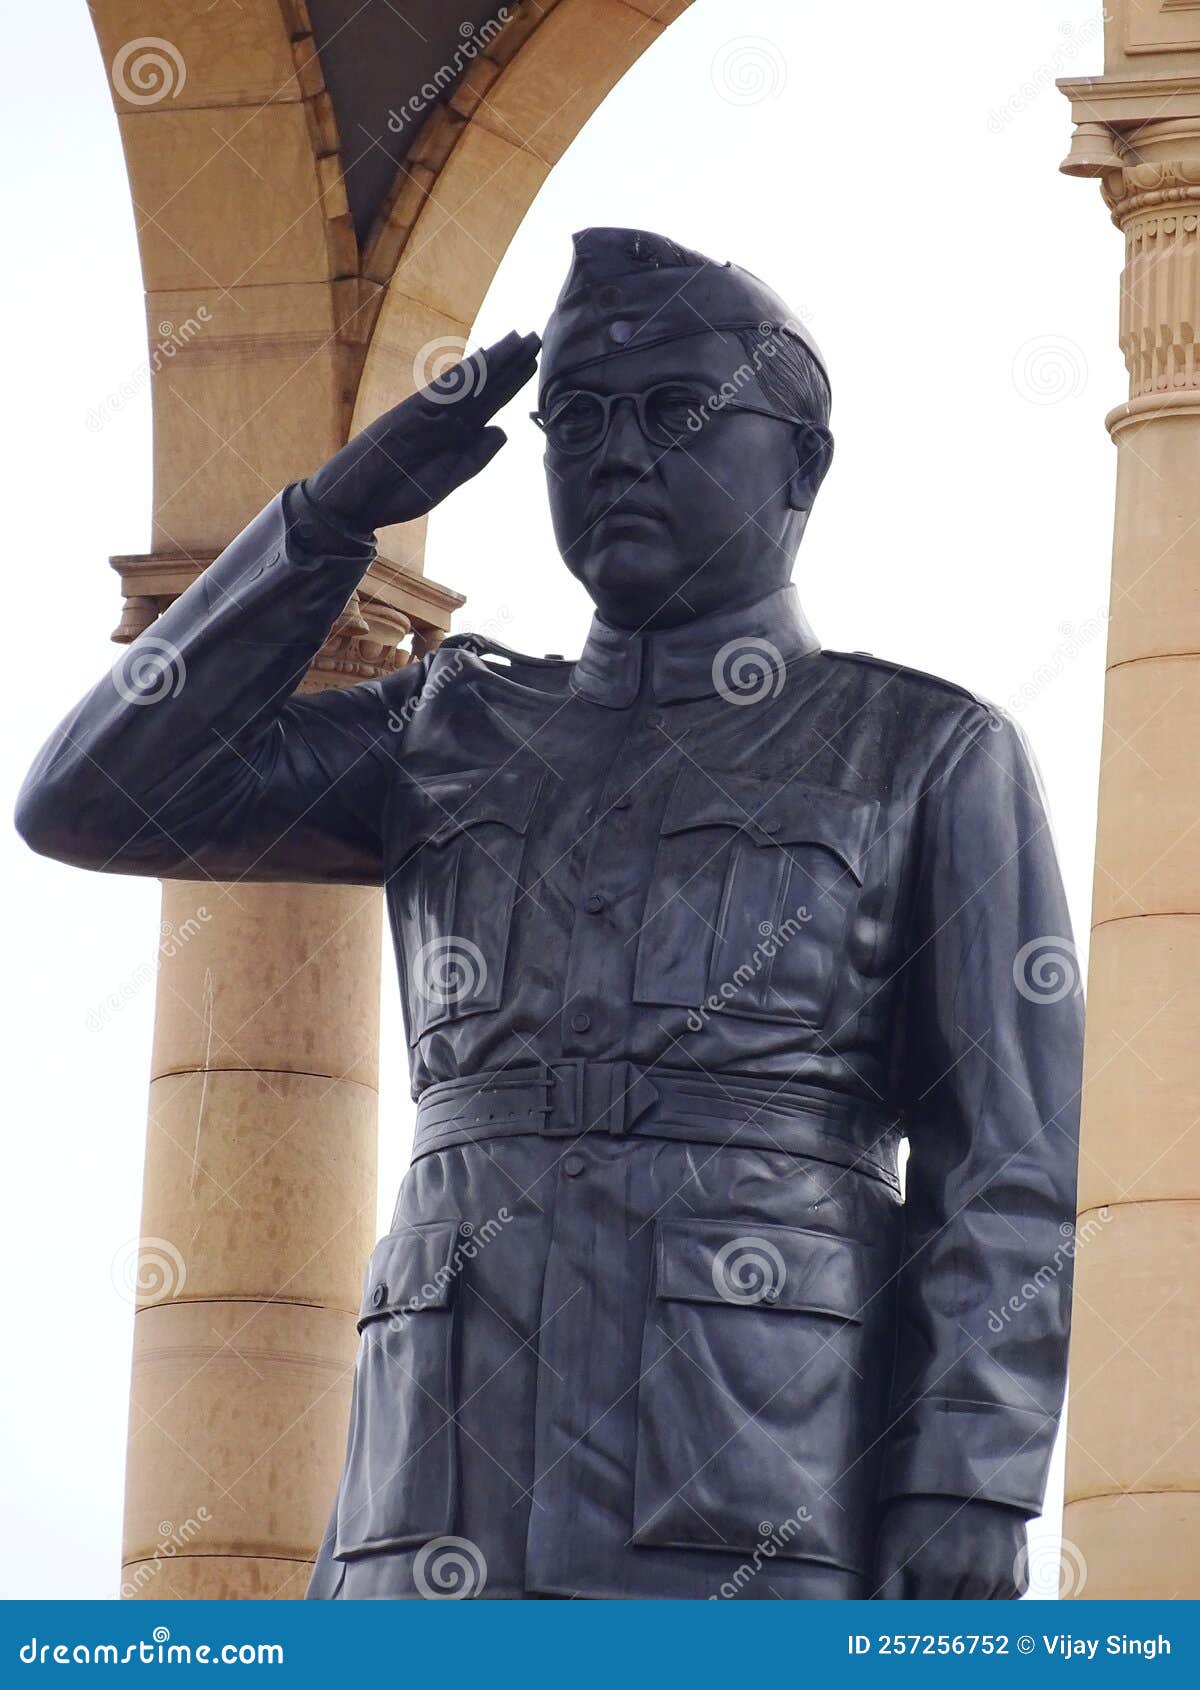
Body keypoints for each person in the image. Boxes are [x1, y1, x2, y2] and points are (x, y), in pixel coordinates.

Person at [16, 228, 1082, 1599]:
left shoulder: (919, 749)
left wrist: (968, 1476)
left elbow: (1007, 1157)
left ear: (802, 465)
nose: (617, 453)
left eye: (677, 411)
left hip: (761, 1484)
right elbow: (92, 797)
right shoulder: (446, 727)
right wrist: (334, 519)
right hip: (433, 1494)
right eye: (574, 418)